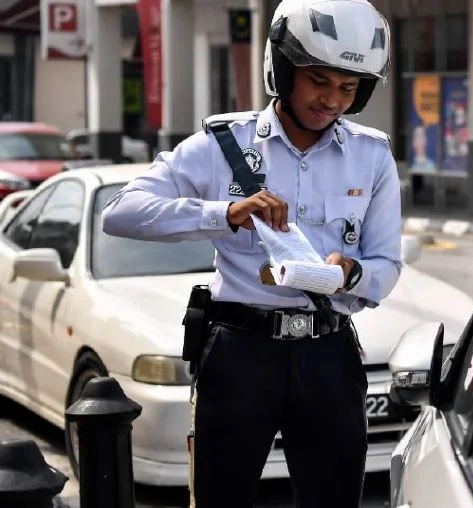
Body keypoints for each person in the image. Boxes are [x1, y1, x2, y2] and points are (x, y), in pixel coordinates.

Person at [100, 1, 401, 506]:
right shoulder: (223, 144)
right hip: (240, 354)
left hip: (328, 355)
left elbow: (387, 264)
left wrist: (351, 273)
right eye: (319, 81)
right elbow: (121, 212)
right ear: (282, 69)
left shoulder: (372, 157)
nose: (331, 100)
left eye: (349, 89)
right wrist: (226, 213)